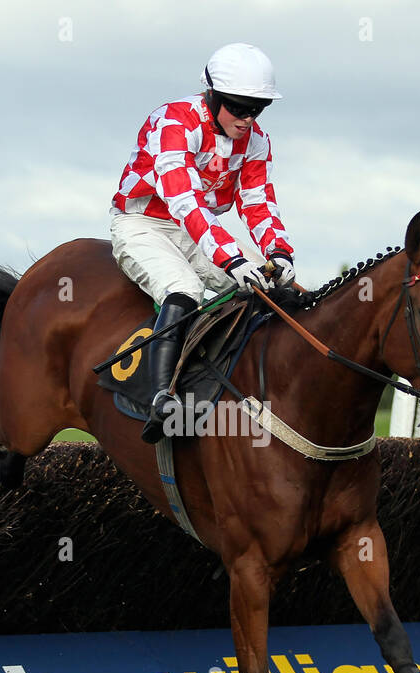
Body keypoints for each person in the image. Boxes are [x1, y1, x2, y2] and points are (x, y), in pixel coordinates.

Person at [110, 43, 296, 443]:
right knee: (185, 289)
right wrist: (231, 258)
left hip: (199, 231)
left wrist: (278, 252)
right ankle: (160, 398)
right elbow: (185, 201)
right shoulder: (173, 121)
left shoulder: (256, 141)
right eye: (239, 107)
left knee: (266, 292)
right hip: (144, 224)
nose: (248, 119)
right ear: (212, 94)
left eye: (257, 109)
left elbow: (258, 202)